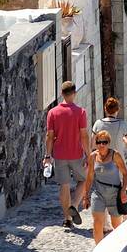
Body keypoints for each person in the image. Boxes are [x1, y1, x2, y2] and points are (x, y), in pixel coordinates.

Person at [44, 81, 90, 229]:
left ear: (62, 94)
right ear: (74, 93)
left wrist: (47, 155)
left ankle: (67, 219)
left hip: (59, 155)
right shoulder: (80, 112)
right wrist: (88, 154)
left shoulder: (53, 113)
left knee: (64, 186)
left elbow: (49, 136)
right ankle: (75, 205)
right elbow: (84, 136)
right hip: (76, 154)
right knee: (84, 179)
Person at [83, 133, 127, 246]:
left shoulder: (115, 155)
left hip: (114, 194)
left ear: (108, 143)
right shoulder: (93, 156)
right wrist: (86, 196)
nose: (101, 145)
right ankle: (98, 250)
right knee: (97, 223)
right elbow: (89, 177)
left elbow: (125, 174)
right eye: (99, 142)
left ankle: (118, 248)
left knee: (116, 225)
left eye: (104, 142)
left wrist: (123, 190)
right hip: (98, 194)